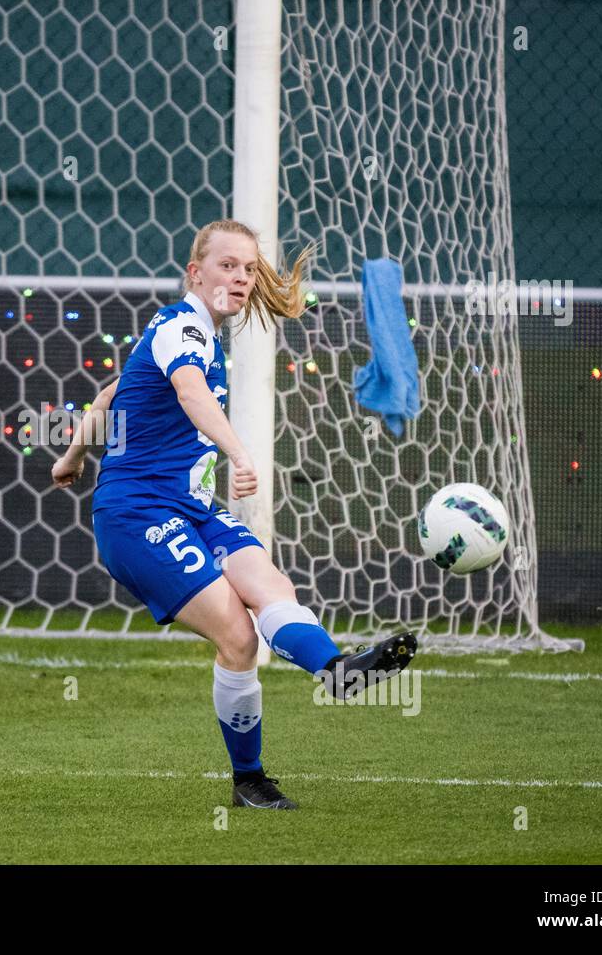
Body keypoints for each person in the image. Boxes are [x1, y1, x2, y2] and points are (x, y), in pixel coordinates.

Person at [51, 219, 416, 809]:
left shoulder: (190, 333)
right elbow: (192, 396)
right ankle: (249, 780)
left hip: (188, 509)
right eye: (228, 265)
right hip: (137, 517)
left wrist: (69, 457)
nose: (241, 278)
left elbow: (108, 395)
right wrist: (239, 451)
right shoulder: (181, 327)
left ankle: (338, 672)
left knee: (271, 584)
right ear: (195, 273)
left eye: (249, 268)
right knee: (239, 638)